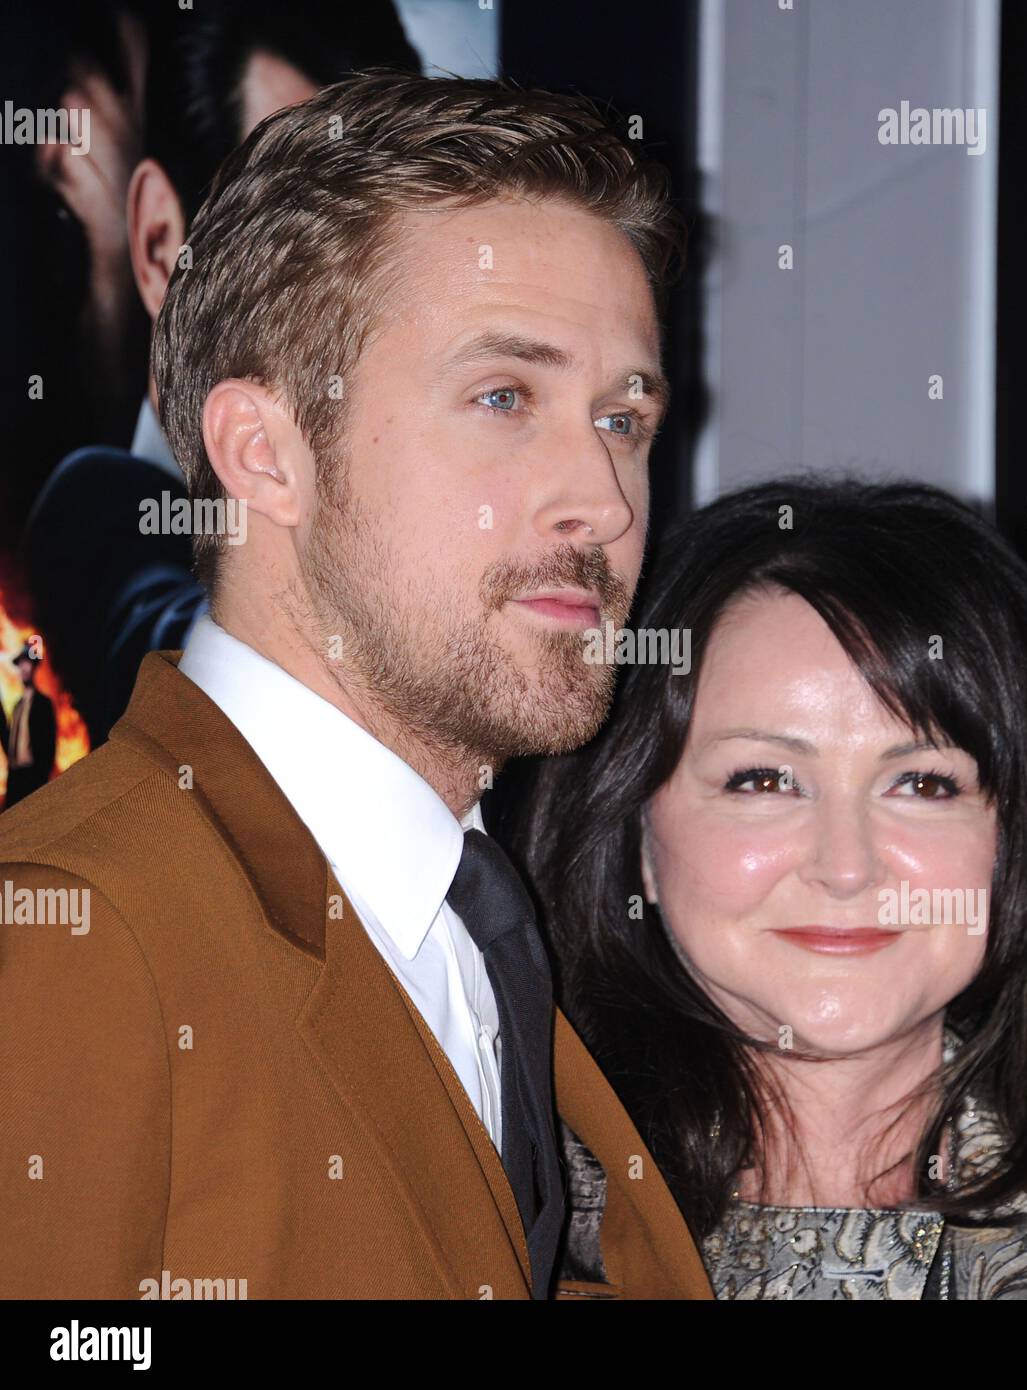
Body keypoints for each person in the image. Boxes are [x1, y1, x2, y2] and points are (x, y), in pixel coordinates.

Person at [0, 73, 710, 1301]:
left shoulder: (485, 922)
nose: (605, 497)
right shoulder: (75, 934)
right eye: (504, 397)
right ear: (263, 453)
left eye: (623, 417)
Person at [509, 477, 1027, 1300]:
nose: (846, 866)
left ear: (1019, 838)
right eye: (763, 780)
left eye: (921, 784)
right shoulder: (495, 1224)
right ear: (634, 837)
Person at [24, 0, 423, 748]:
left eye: (378, 246)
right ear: (159, 244)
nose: (342, 306)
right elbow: (215, 695)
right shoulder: (98, 513)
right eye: (287, 245)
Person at [1, 639, 57, 808]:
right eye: (21, 664)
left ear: (34, 667)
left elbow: (49, 745)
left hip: (33, 777)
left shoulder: (43, 704)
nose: (24, 668)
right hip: (15, 777)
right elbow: (10, 744)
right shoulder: (18, 707)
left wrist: (41, 778)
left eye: (27, 663)